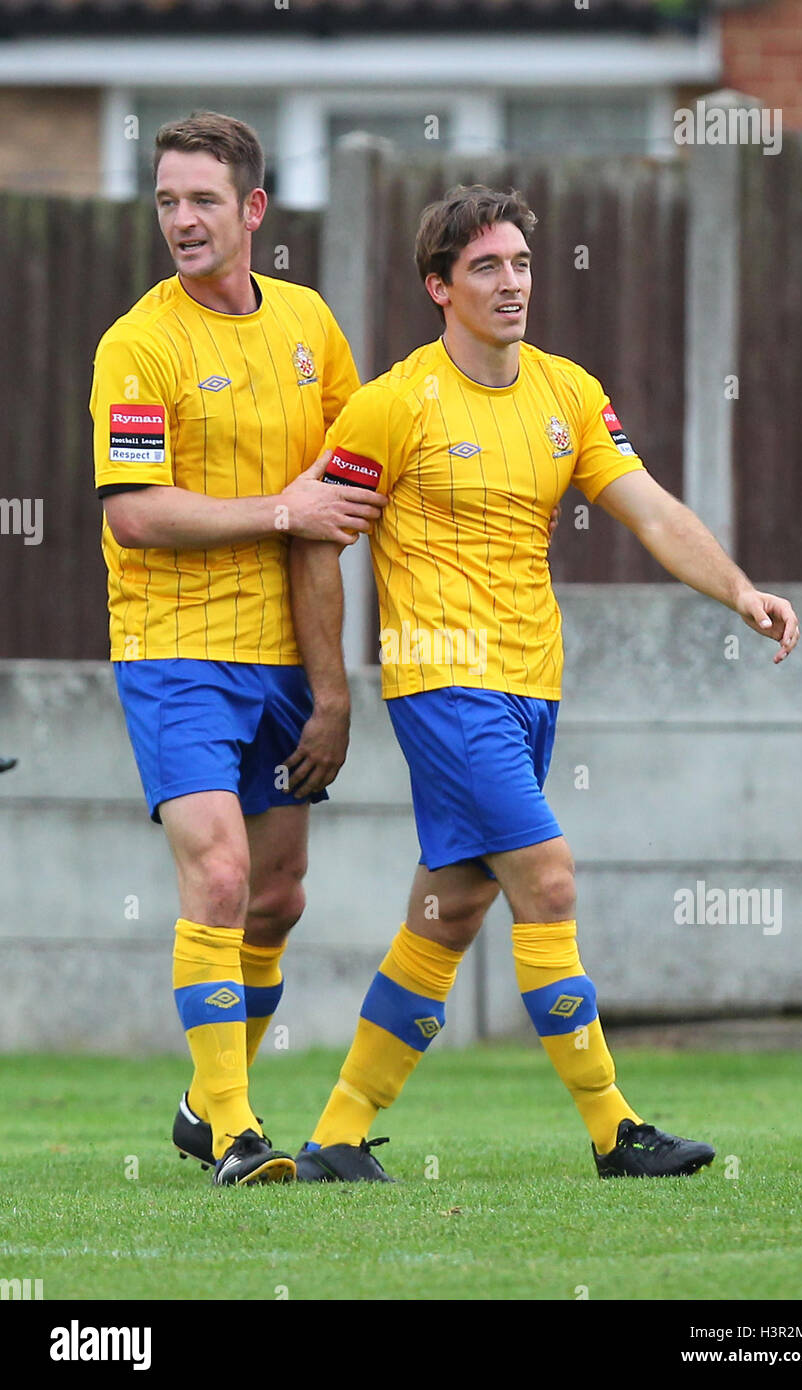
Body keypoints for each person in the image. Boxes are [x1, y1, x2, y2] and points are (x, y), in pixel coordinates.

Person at [289, 183, 800, 1182]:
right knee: (548, 877)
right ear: (439, 286)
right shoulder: (390, 404)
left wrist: (738, 590)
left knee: (449, 910)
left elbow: (647, 510)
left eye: (520, 263)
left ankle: (336, 1137)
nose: (511, 283)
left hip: (531, 687)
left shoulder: (566, 391)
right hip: (440, 685)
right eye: (484, 266)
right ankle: (614, 1129)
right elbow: (315, 543)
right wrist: (334, 692)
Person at [89, 112, 386, 1185]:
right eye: (166, 200)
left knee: (277, 895)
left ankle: (200, 1100)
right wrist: (279, 510)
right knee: (215, 871)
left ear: (252, 208)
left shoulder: (309, 327)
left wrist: (332, 688)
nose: (180, 219)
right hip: (172, 650)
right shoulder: (137, 343)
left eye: (202, 199)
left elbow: (350, 491)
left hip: (281, 656)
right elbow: (134, 513)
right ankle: (235, 1130)